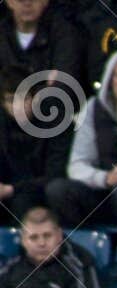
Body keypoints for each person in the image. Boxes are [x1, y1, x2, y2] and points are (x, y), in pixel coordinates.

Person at [46, 49, 117, 233]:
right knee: (58, 190)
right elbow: (76, 165)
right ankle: (78, 245)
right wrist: (105, 178)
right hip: (101, 189)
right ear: (110, 79)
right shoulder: (93, 107)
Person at [0, 76, 70, 224]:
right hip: (10, 189)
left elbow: (56, 173)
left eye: (23, 99)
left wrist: (12, 189)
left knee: (22, 202)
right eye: (11, 100)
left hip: (44, 190)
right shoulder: (3, 125)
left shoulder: (58, 123)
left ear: (35, 98)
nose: (18, 107)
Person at [0, 0, 82, 97]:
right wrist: (44, 86)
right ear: (9, 2)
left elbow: (63, 85)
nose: (27, 4)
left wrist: (15, 92)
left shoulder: (64, 33)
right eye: (20, 0)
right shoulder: (2, 36)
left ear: (45, 1)